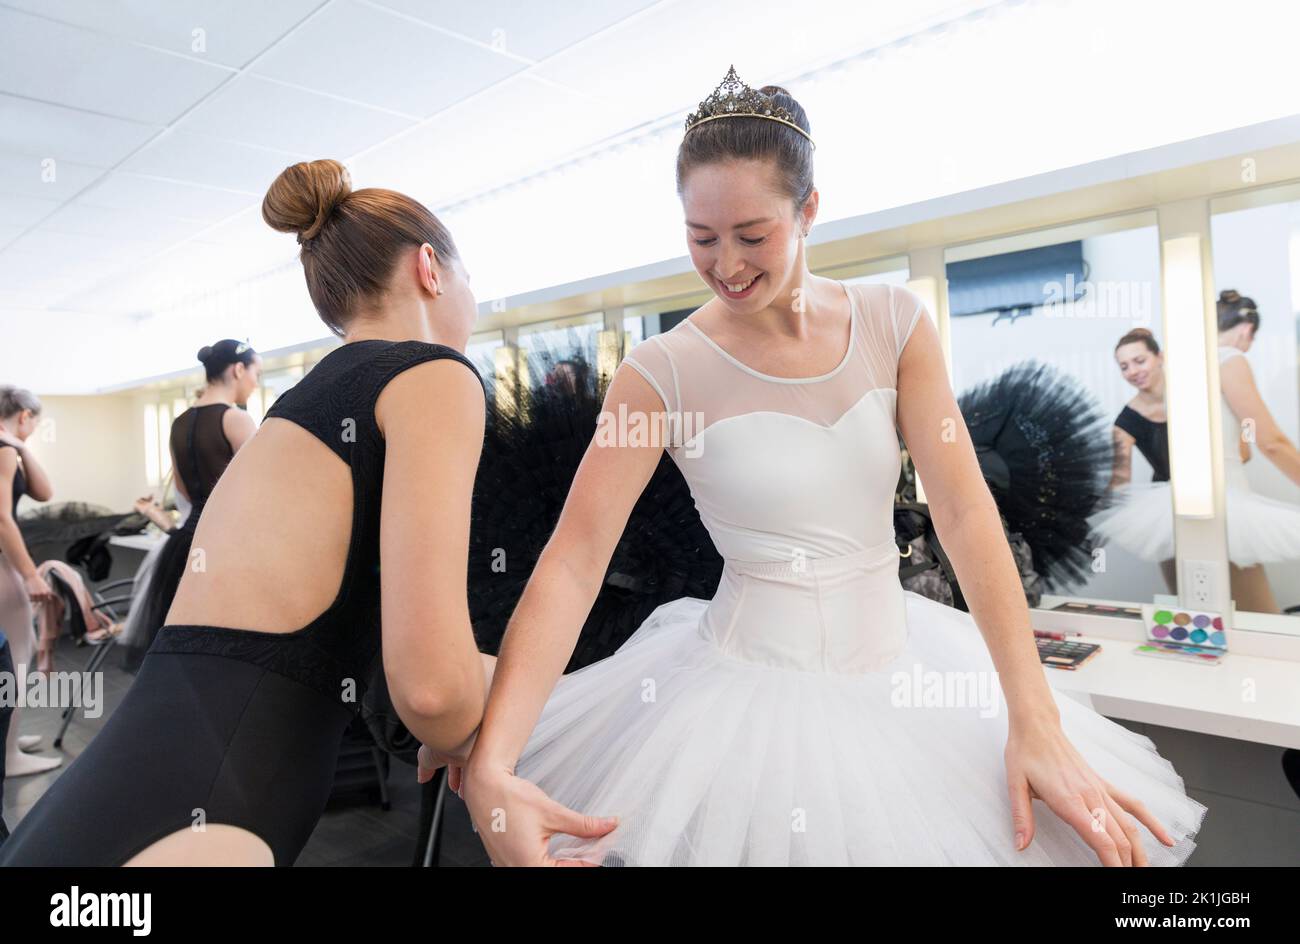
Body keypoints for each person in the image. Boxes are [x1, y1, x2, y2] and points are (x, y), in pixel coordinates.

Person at [458, 68, 1207, 866]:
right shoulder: (661, 370)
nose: (726, 265)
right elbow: (574, 562)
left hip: (909, 671)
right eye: (701, 238)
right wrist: (495, 765)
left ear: (809, 210)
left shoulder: (893, 324)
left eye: (753, 235)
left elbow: (962, 510)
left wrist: (1035, 718)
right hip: (742, 701)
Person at [0, 159, 492, 866]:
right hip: (213, 811)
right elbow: (434, 692)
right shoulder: (433, 374)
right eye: (468, 273)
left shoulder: (303, 404)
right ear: (430, 268)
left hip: (131, 795)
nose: (473, 298)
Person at [117, 340, 260, 671]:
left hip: (188, 545)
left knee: (189, 655)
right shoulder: (236, 420)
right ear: (238, 370)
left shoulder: (179, 424)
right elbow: (256, 490)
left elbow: (183, 492)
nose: (256, 383)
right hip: (230, 547)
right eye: (256, 373)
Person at [1214, 290, 1300, 612]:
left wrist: (1244, 435)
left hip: (1183, 503)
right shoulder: (1231, 359)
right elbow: (1272, 443)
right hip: (1228, 500)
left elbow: (1245, 438)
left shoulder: (1188, 363)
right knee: (1264, 621)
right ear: (1246, 330)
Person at [0, 386, 60, 780]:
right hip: (4, 566)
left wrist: (20, 446)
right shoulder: (3, 451)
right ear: (24, 415)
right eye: (34, 421)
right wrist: (31, 573)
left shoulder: (9, 449)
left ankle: (8, 740)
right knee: (17, 661)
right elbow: (2, 519)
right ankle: (8, 757)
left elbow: (44, 491)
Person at [1089, 328, 1177, 591]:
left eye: (1140, 361)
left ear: (1159, 356)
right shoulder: (1125, 421)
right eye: (1124, 366)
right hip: (1165, 509)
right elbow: (1120, 478)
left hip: (1211, 496)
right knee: (1182, 592)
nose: (1133, 371)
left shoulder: (1194, 395)